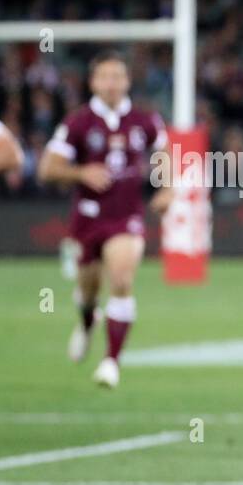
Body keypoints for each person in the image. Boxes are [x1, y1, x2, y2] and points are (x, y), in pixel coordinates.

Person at [37, 51, 172, 389]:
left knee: (122, 280)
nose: (111, 83)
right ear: (93, 82)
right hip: (87, 220)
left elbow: (165, 155)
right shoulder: (77, 123)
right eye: (105, 77)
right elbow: (47, 169)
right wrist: (81, 171)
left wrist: (168, 188)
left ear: (127, 81)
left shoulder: (145, 120)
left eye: (118, 76)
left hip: (126, 217)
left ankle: (111, 361)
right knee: (87, 290)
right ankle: (86, 322)